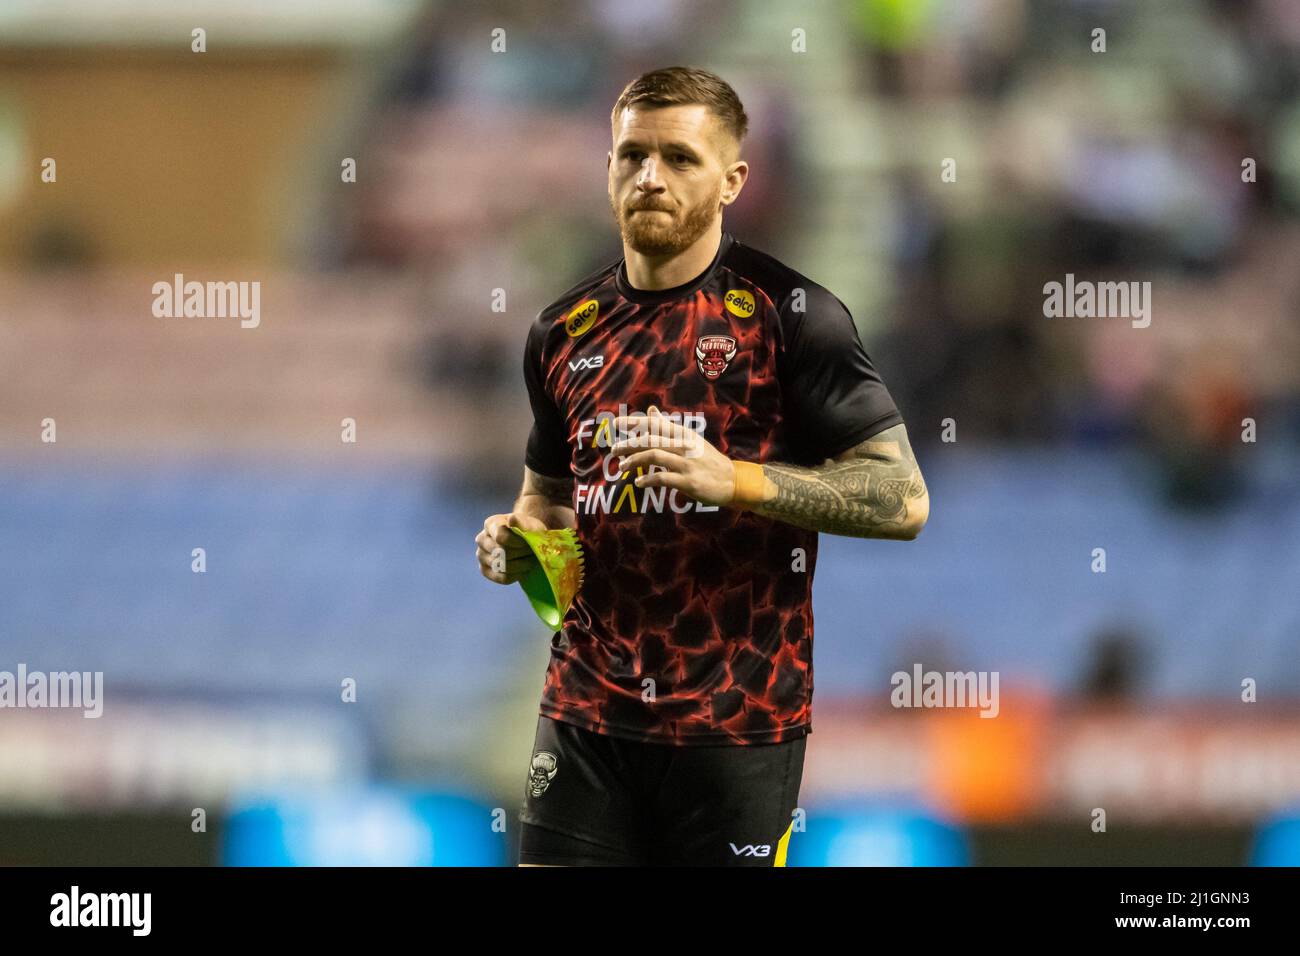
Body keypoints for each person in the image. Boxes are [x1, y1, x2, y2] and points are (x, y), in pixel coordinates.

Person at [475, 66, 928, 866]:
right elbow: (547, 503)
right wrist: (521, 543)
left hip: (739, 725)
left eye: (680, 158)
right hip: (586, 719)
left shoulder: (794, 319)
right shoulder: (562, 331)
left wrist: (736, 480)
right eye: (632, 155)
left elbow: (902, 499)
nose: (650, 177)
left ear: (732, 181)